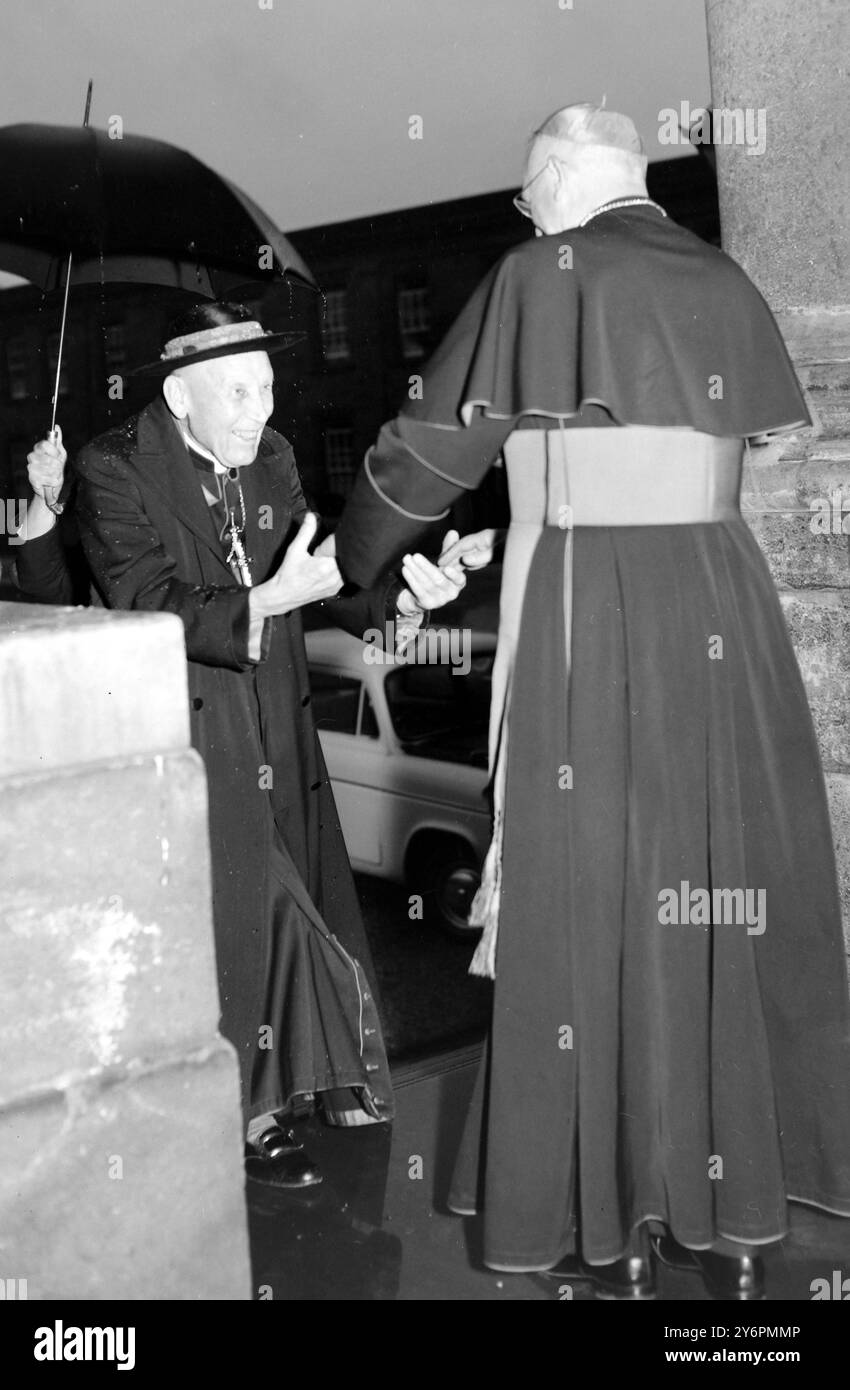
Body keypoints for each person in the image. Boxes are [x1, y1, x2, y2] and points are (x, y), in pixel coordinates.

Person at [331, 103, 850, 1297]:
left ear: (562, 180)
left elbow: (425, 450)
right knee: (718, 882)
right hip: (723, 599)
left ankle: (606, 1192)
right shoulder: (723, 278)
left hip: (591, 606)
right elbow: (737, 452)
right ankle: (724, 1192)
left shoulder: (541, 272)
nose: (525, 213)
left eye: (528, 192)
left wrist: (354, 557)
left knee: (588, 889)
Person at [19, 301, 467, 1188]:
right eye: (238, 393)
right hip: (190, 732)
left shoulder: (273, 458)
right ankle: (242, 1117)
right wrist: (261, 603)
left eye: (266, 388)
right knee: (241, 913)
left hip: (278, 727)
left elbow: (326, 579)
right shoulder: (113, 469)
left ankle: (293, 1088)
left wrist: (404, 603)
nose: (259, 411)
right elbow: (147, 599)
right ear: (181, 398)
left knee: (292, 902)